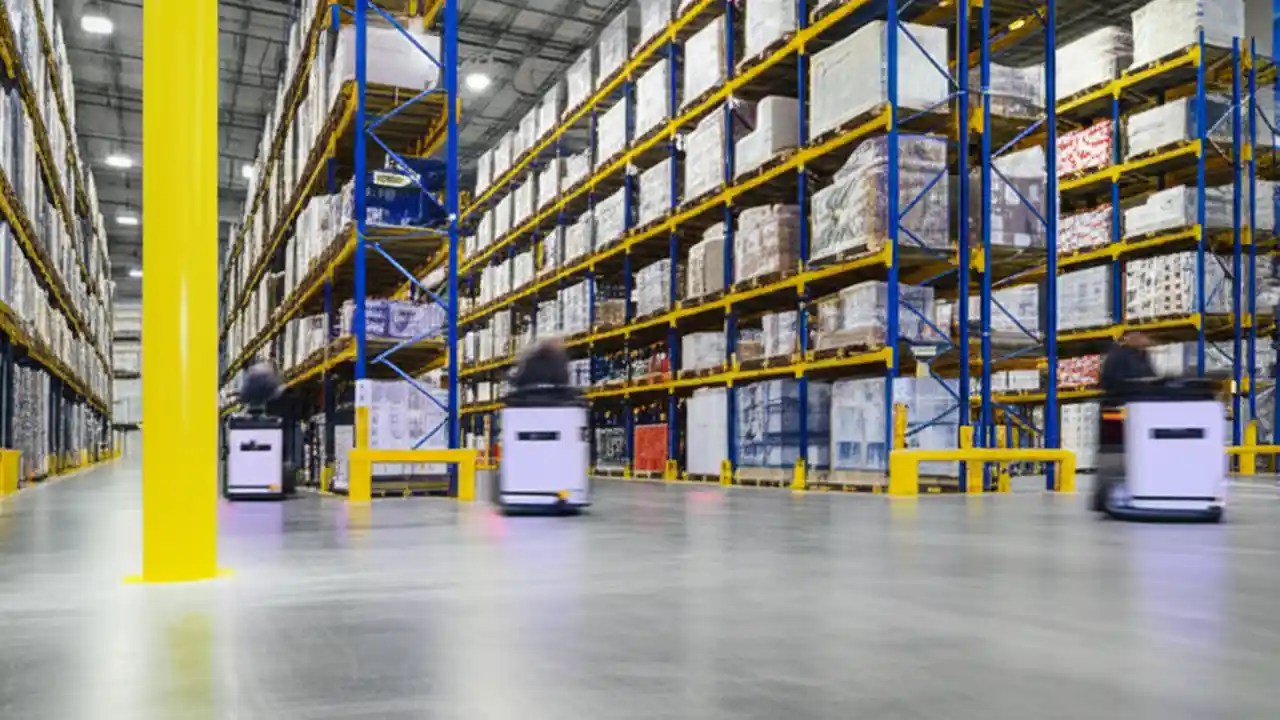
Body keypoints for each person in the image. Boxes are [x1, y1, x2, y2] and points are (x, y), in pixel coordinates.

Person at [1093, 331, 1156, 512]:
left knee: (1130, 458)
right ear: (1129, 338)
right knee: (1112, 457)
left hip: (1135, 414)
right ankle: (1105, 498)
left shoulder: (1142, 356)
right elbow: (1110, 382)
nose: (1146, 340)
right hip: (1115, 412)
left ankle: (1130, 493)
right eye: (1140, 336)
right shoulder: (1117, 356)